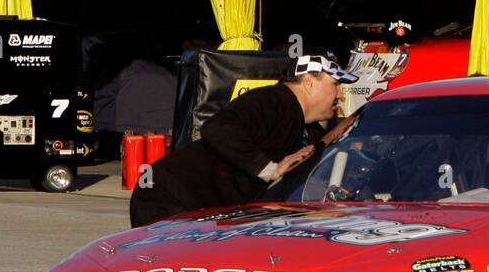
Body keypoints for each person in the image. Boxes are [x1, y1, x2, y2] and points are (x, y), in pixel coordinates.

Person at [129, 54, 358, 227]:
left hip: (203, 213)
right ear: (309, 82)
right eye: (335, 84)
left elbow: (320, 148)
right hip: (166, 197)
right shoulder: (272, 100)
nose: (340, 95)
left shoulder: (303, 125)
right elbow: (217, 128)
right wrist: (271, 169)